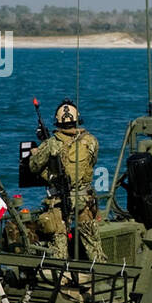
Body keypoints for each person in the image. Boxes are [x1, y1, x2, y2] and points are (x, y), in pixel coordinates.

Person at [29, 99, 105, 261]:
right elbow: (92, 163)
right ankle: (102, 277)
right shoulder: (91, 141)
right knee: (93, 246)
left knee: (59, 249)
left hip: (59, 203)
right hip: (85, 200)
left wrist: (36, 152)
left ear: (58, 122)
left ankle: (59, 280)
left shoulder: (51, 144)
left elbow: (33, 167)